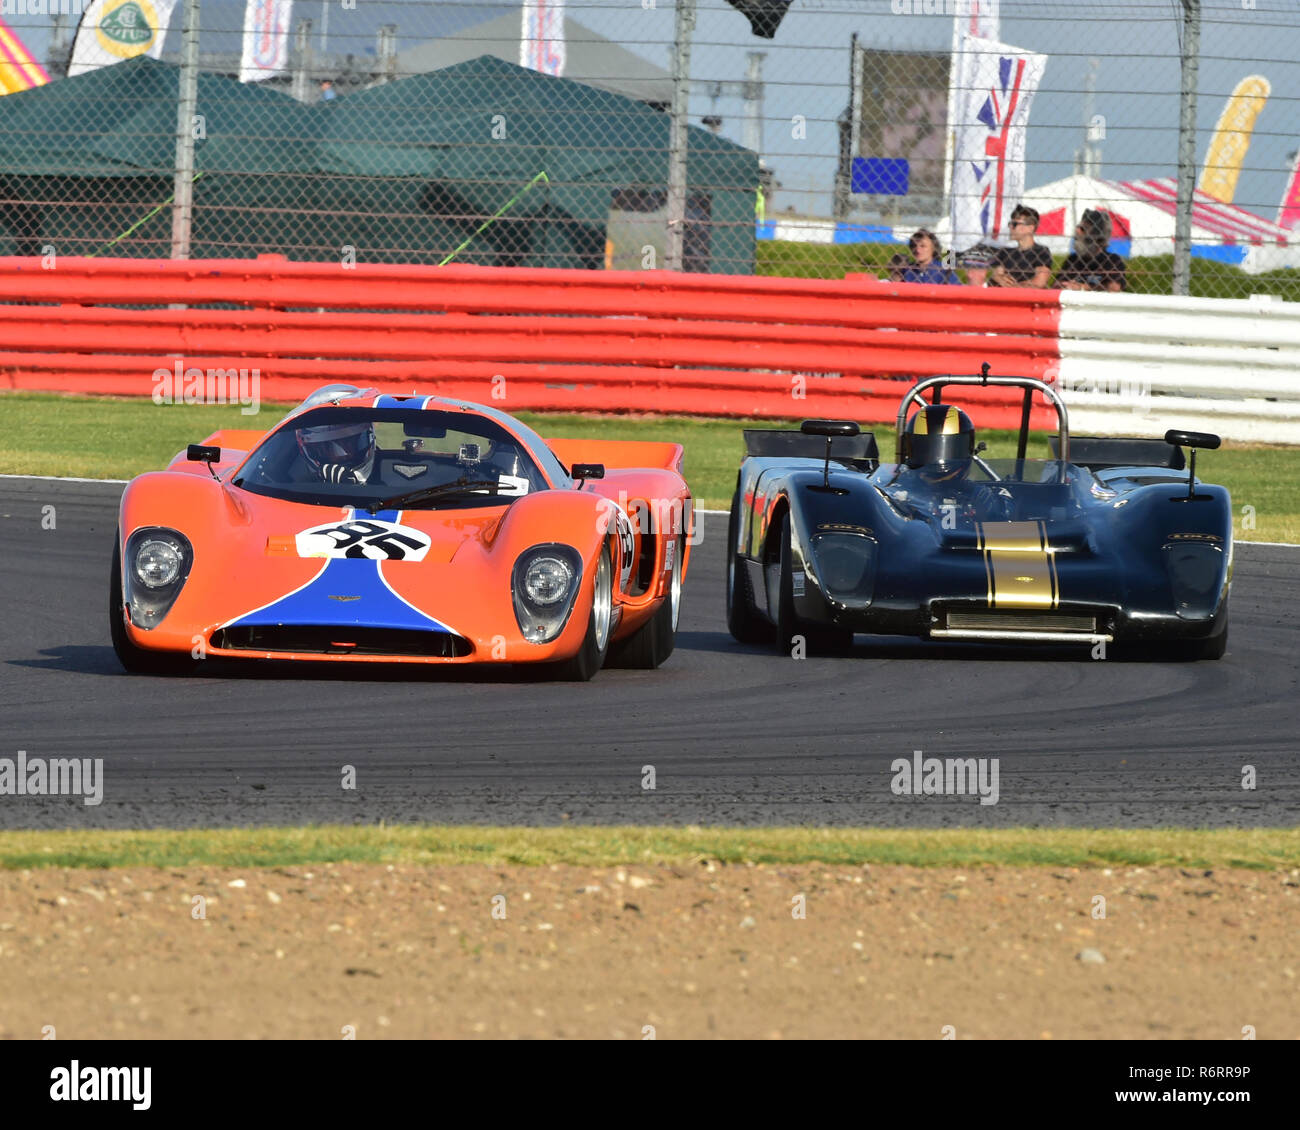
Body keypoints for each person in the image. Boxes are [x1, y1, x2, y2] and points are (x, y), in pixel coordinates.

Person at [1055, 208, 1126, 292]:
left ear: (1097, 235)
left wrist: (1082, 287)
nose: (1077, 232)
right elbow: (1056, 285)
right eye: (1078, 227)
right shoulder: (1073, 260)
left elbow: (1114, 288)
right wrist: (1063, 285)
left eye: (1083, 229)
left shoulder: (1112, 260)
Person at [990, 205, 1052, 288]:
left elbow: (1039, 282)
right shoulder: (1005, 251)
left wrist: (1013, 287)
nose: (1010, 227)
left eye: (1014, 224)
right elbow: (997, 275)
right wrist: (1000, 279)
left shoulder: (1040, 251)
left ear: (1030, 228)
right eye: (1010, 224)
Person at [297, 420, 376, 484]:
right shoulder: (299, 489)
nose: (345, 455)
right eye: (328, 447)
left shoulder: (382, 489)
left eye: (349, 442)